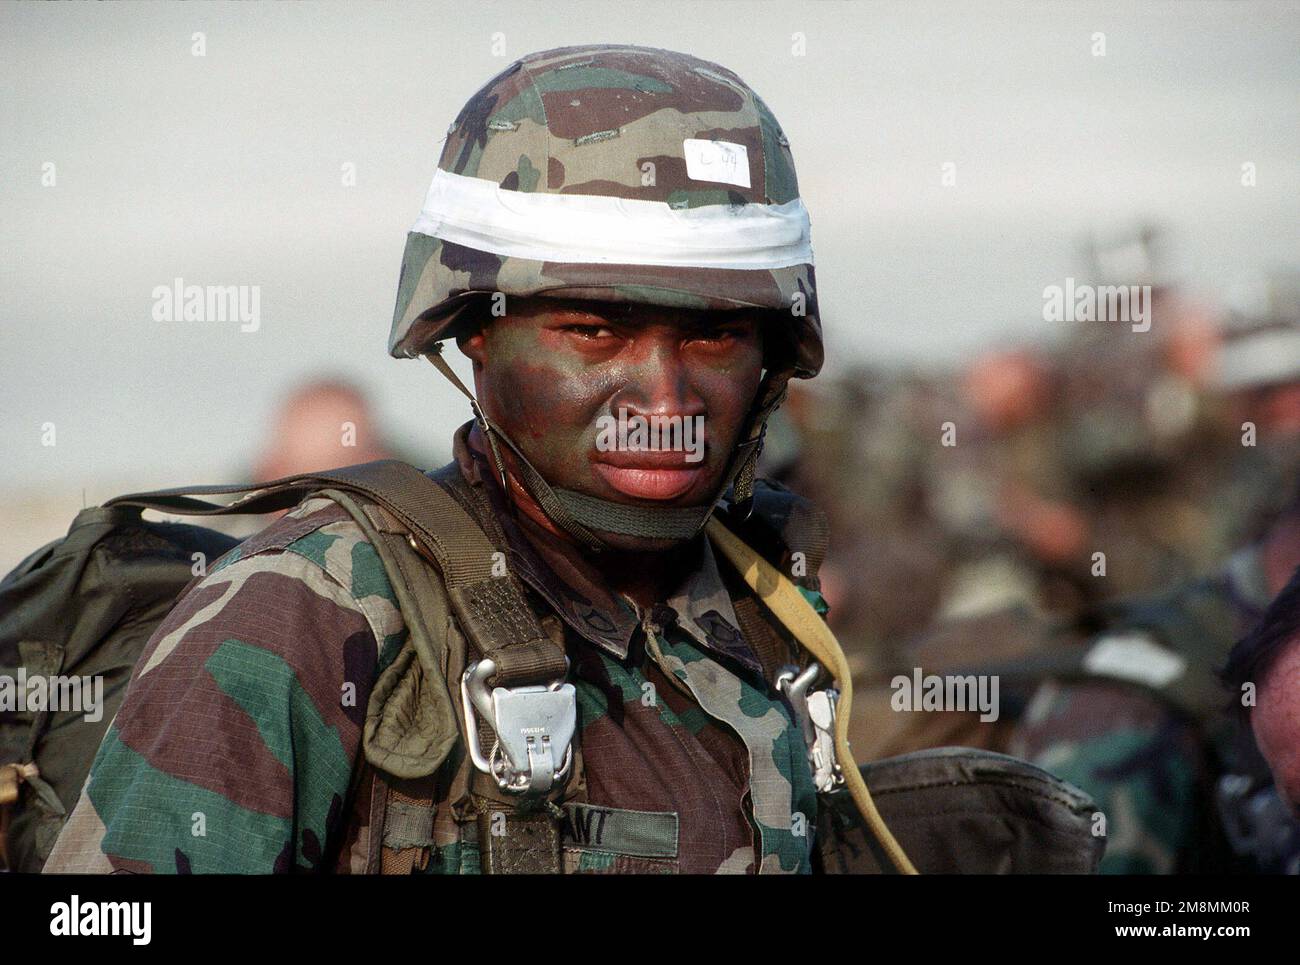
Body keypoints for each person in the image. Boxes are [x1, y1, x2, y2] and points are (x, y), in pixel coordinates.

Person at [42, 44, 840, 875]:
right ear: (475, 331)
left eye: (715, 335)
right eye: (596, 333)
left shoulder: (772, 607)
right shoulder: (311, 610)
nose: (665, 402)